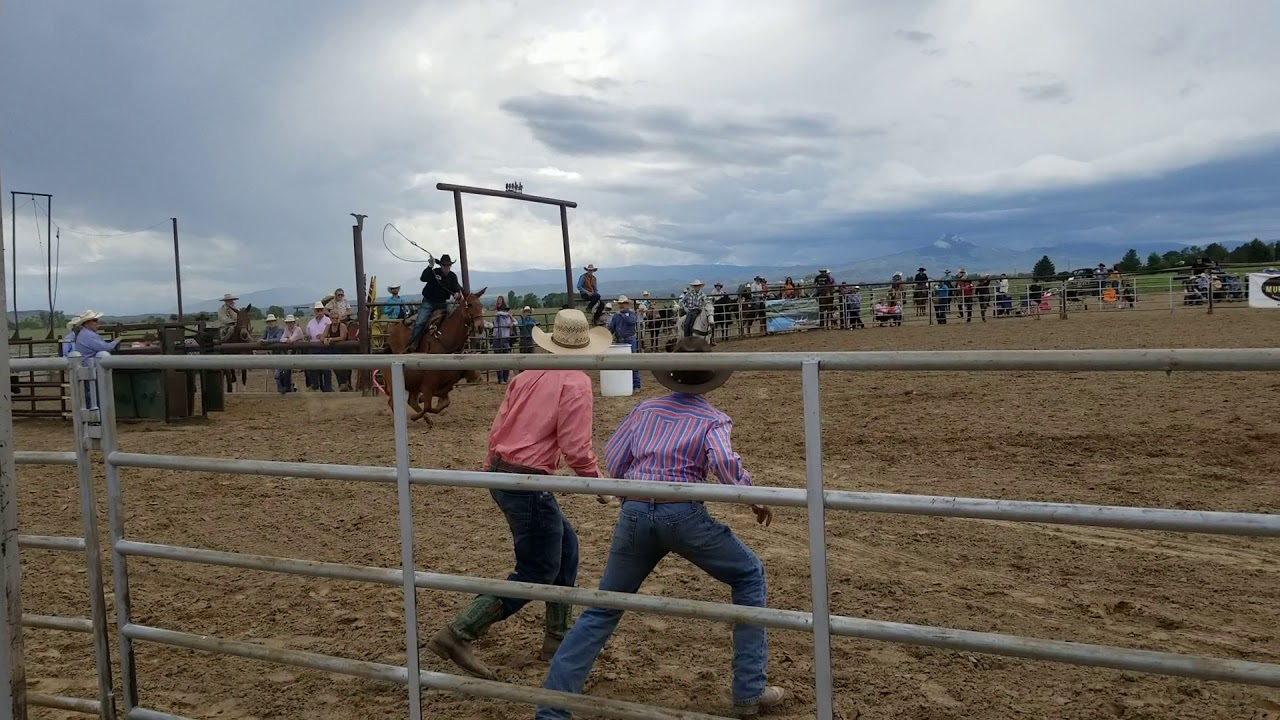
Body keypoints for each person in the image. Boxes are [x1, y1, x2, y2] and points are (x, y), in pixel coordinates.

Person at [537, 336, 784, 719]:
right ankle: (749, 692)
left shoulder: (645, 409)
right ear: (711, 378)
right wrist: (753, 497)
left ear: (669, 374)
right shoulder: (712, 418)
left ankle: (552, 708)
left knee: (604, 607)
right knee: (749, 574)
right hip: (684, 515)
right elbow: (722, 460)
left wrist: (629, 494)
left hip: (635, 512)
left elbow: (617, 456)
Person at [427, 309, 613, 681]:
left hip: (504, 470)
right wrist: (598, 484)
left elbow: (500, 424)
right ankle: (458, 632)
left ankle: (557, 638)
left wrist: (490, 465)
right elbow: (575, 446)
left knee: (566, 548)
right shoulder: (575, 382)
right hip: (528, 479)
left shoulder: (526, 374)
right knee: (538, 568)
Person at [407, 254, 463, 350]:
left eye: (448, 266)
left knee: (454, 319)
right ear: (440, 265)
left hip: (443, 303)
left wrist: (457, 294)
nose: (446, 268)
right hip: (428, 302)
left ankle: (456, 343)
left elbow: (456, 288)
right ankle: (413, 343)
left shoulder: (452, 276)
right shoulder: (434, 272)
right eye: (444, 265)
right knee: (420, 322)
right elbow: (423, 278)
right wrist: (430, 266)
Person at [72, 310, 121, 409]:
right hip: (91, 368)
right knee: (95, 394)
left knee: (93, 394)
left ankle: (95, 418)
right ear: (87, 323)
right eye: (94, 320)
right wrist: (116, 341)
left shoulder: (85, 334)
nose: (97, 323)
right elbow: (105, 348)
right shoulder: (89, 335)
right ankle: (96, 419)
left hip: (89, 367)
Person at [607, 295, 641, 391]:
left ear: (627, 304)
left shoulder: (631, 314)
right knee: (621, 362)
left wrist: (621, 315)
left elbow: (632, 322)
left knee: (633, 362)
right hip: (620, 341)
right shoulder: (616, 316)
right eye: (620, 304)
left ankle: (636, 384)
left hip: (629, 340)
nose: (621, 305)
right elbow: (611, 329)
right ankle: (624, 383)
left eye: (623, 304)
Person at [492, 296, 515, 384]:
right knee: (499, 358)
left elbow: (515, 322)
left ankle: (504, 378)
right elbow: (497, 314)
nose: (498, 302)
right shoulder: (500, 314)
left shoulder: (505, 315)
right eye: (498, 301)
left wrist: (511, 321)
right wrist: (509, 315)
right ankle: (501, 379)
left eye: (500, 301)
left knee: (505, 358)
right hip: (498, 338)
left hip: (503, 338)